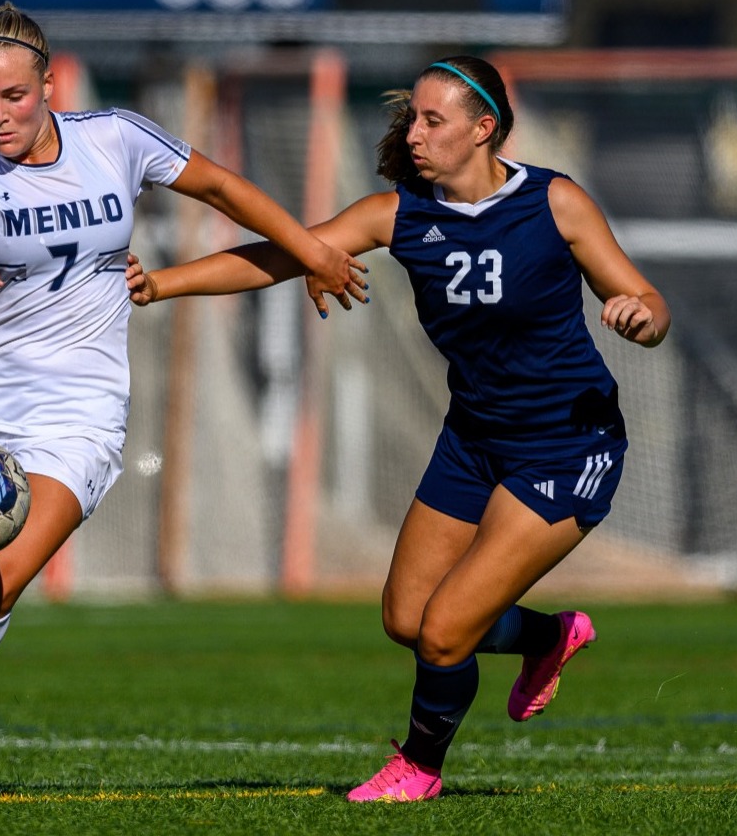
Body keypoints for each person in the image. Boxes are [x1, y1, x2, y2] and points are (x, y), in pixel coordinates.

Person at [0, 2, 364, 796]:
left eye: (14, 96)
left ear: (48, 83)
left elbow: (223, 189)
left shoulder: (114, 138)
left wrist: (312, 252)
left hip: (79, 411)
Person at [127, 55, 670, 801]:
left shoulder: (553, 201)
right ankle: (546, 636)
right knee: (407, 619)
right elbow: (282, 255)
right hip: (474, 439)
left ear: (484, 130)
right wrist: (162, 283)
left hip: (564, 443)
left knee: (446, 628)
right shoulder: (399, 214)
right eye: (410, 117)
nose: (412, 132)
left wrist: (639, 318)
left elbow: (644, 299)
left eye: (431, 120)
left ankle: (418, 769)